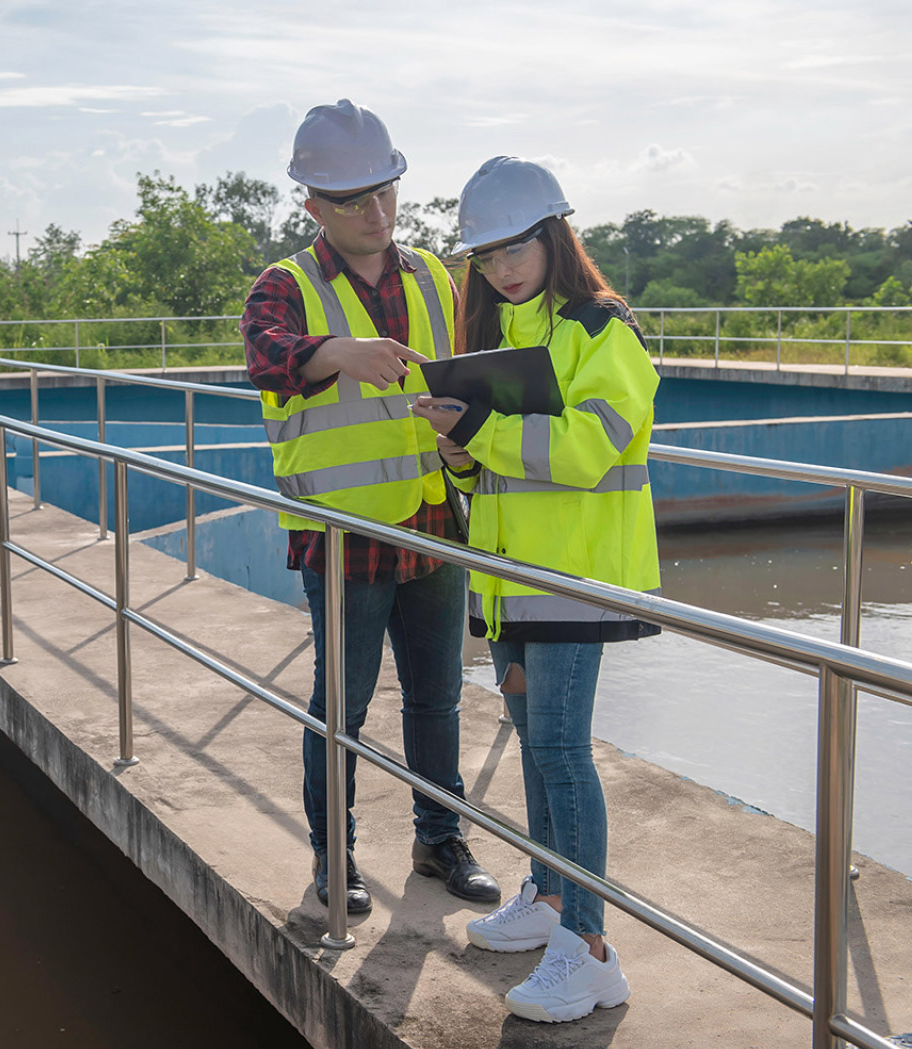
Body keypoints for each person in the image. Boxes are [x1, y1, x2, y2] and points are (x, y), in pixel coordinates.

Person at [411, 155, 661, 1023]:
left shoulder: (602, 327)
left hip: (576, 582)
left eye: (515, 246)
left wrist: (483, 428)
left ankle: (589, 949)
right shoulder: (508, 337)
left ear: (553, 234)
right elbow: (502, 478)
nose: (501, 267)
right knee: (534, 745)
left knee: (559, 751)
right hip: (511, 581)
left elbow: (592, 451)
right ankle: (551, 899)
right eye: (484, 255)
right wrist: (458, 452)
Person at [241, 100, 499, 916]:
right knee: (341, 709)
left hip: (432, 517)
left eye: (385, 192)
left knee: (436, 696)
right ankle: (336, 858)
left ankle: (439, 838)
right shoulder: (285, 285)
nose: (377, 213)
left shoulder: (431, 274)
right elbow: (264, 356)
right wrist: (330, 354)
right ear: (311, 204)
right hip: (344, 531)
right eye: (354, 200)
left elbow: (473, 367)